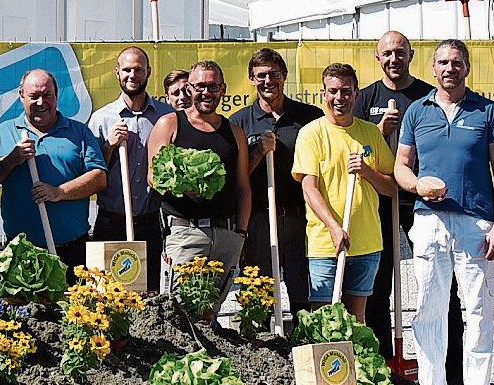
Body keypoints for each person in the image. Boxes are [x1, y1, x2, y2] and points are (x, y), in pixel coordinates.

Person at [394, 39, 494, 385]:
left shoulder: (488, 111)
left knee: (478, 308)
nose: (450, 68)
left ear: (467, 68)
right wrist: (417, 185)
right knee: (429, 308)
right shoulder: (417, 111)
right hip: (429, 221)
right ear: (433, 68)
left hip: (475, 221)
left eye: (457, 62)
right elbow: (401, 167)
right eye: (443, 62)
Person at [354, 31, 436, 364]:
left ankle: (439, 363)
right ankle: (385, 359)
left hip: (419, 199)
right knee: (378, 283)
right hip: (380, 199)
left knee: (433, 278)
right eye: (387, 53)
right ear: (378, 58)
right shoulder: (364, 98)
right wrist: (380, 132)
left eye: (400, 52)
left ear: (411, 55)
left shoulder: (427, 96)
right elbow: (354, 149)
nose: (393, 59)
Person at [295, 63, 397, 321]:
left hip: (366, 243)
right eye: (333, 91)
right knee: (323, 319)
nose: (339, 98)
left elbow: (392, 188)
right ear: (323, 94)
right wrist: (333, 227)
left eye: (346, 91)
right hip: (325, 244)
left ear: (356, 94)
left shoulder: (370, 133)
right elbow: (309, 187)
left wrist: (367, 171)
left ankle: (355, 351)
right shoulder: (311, 134)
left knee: (356, 319)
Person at [232, 49, 323, 316]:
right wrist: (258, 151)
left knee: (303, 296)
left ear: (284, 76)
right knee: (258, 297)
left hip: (301, 219)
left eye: (274, 74)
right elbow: (236, 177)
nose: (268, 81)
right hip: (259, 221)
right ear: (251, 79)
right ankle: (261, 341)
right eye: (261, 75)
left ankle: (303, 339)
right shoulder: (239, 122)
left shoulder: (310, 117)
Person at [147, 60, 252, 288]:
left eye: (213, 86)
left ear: (223, 90)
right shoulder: (170, 124)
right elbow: (154, 176)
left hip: (226, 235)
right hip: (185, 233)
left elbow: (243, 187)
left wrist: (240, 233)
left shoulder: (235, 133)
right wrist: (184, 185)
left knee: (214, 304)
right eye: (200, 86)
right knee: (179, 304)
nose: (206, 92)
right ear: (189, 88)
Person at [0, 70, 109, 270]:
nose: (41, 102)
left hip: (72, 250)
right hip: (21, 252)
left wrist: (59, 192)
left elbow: (99, 177)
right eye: (34, 96)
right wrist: (12, 160)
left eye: (47, 95)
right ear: (21, 96)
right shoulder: (3, 131)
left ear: (56, 96)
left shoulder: (79, 132)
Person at [87, 47, 171, 258]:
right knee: (105, 280)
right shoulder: (101, 118)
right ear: (117, 73)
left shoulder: (167, 117)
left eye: (138, 69)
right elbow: (92, 175)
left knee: (151, 280)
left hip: (150, 223)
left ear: (148, 72)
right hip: (111, 223)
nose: (132, 75)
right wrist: (109, 145)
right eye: (126, 70)